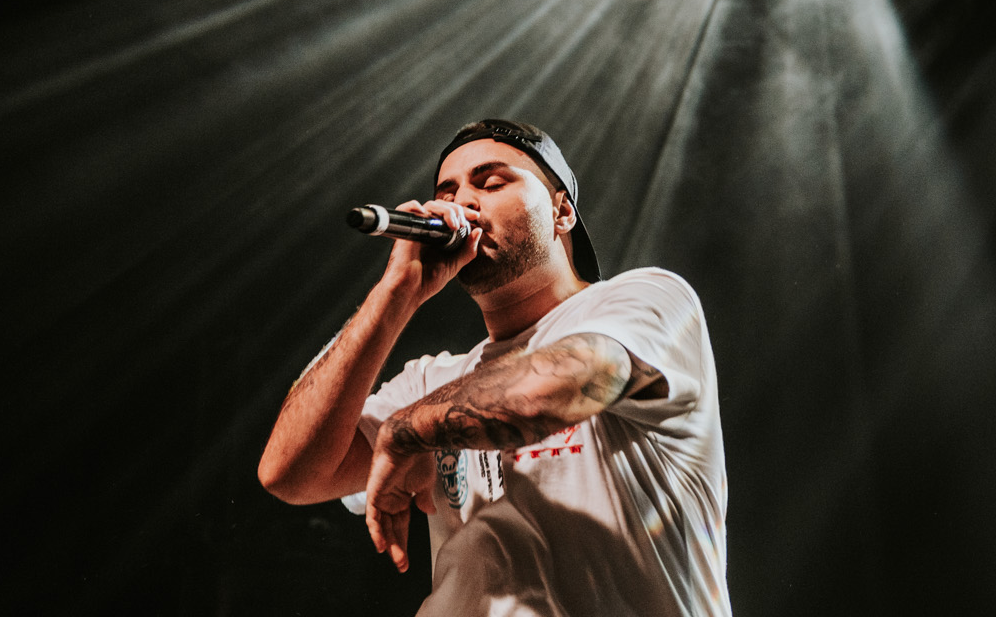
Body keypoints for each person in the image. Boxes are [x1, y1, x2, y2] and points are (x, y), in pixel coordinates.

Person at [257, 119, 730, 617]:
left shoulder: (646, 300)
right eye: (447, 191)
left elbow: (558, 383)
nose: (462, 201)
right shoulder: (432, 381)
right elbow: (289, 473)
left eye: (491, 182)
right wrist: (395, 294)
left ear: (561, 211)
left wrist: (406, 432)